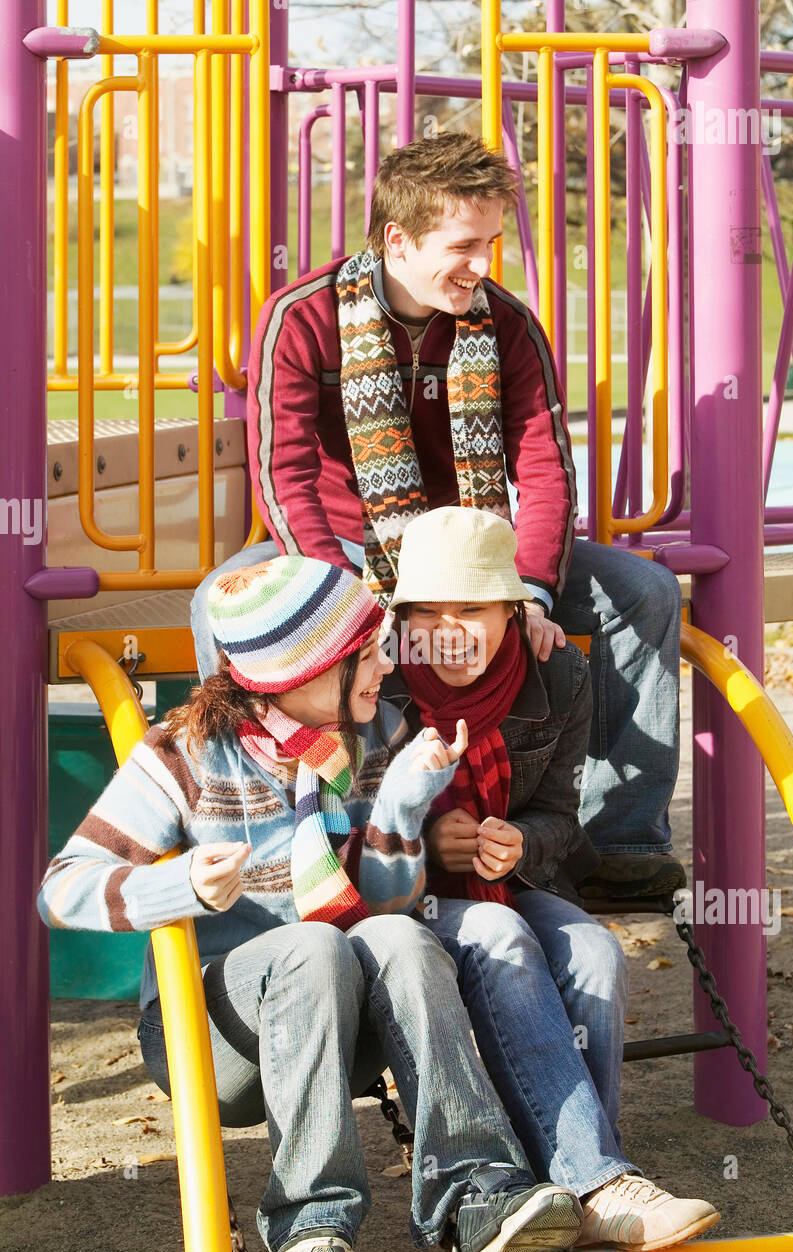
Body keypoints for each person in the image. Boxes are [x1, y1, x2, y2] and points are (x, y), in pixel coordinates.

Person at [37, 554, 584, 1252]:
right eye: (365, 654)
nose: (385, 666)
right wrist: (181, 888)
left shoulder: (377, 735)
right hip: (214, 1038)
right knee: (313, 947)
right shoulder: (187, 753)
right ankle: (311, 1214)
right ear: (303, 669)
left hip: (336, 1022)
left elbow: (386, 904)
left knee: (393, 931)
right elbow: (61, 888)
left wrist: (401, 806)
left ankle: (478, 1190)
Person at [243, 130, 685, 902]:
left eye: (491, 243)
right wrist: (345, 600)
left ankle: (619, 840)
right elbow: (286, 476)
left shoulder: (504, 324)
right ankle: (284, 844)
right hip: (353, 544)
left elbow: (544, 466)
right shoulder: (304, 318)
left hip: (481, 551)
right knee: (221, 604)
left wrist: (528, 593)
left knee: (641, 594)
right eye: (462, 245)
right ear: (397, 239)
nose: (482, 266)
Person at [385, 506, 720, 1252]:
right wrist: (423, 837)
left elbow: (561, 815)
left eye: (472, 608)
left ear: (514, 609)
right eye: (428, 612)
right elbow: (338, 818)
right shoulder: (375, 680)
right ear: (401, 616)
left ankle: (578, 1190)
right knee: (501, 935)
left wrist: (521, 841)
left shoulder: (556, 672)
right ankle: (596, 1181)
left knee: (594, 953)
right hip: (398, 896)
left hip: (505, 881)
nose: (451, 629)